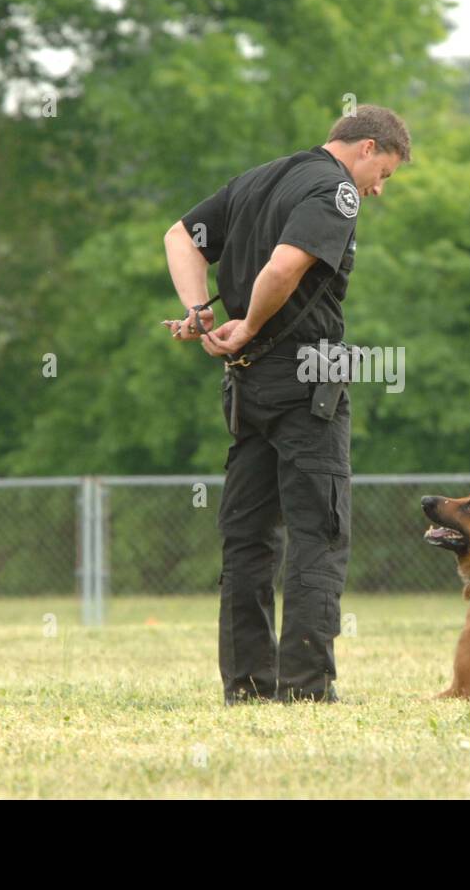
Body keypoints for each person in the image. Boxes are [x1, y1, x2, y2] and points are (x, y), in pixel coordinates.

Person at [161, 106, 410, 704]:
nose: (376, 190)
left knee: (247, 538)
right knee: (318, 532)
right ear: (366, 147)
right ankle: (305, 688)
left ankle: (247, 686)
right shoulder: (334, 190)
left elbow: (180, 236)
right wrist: (245, 325)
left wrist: (200, 312)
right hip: (307, 381)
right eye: (385, 174)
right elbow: (286, 265)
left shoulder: (259, 178)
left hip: (247, 388)